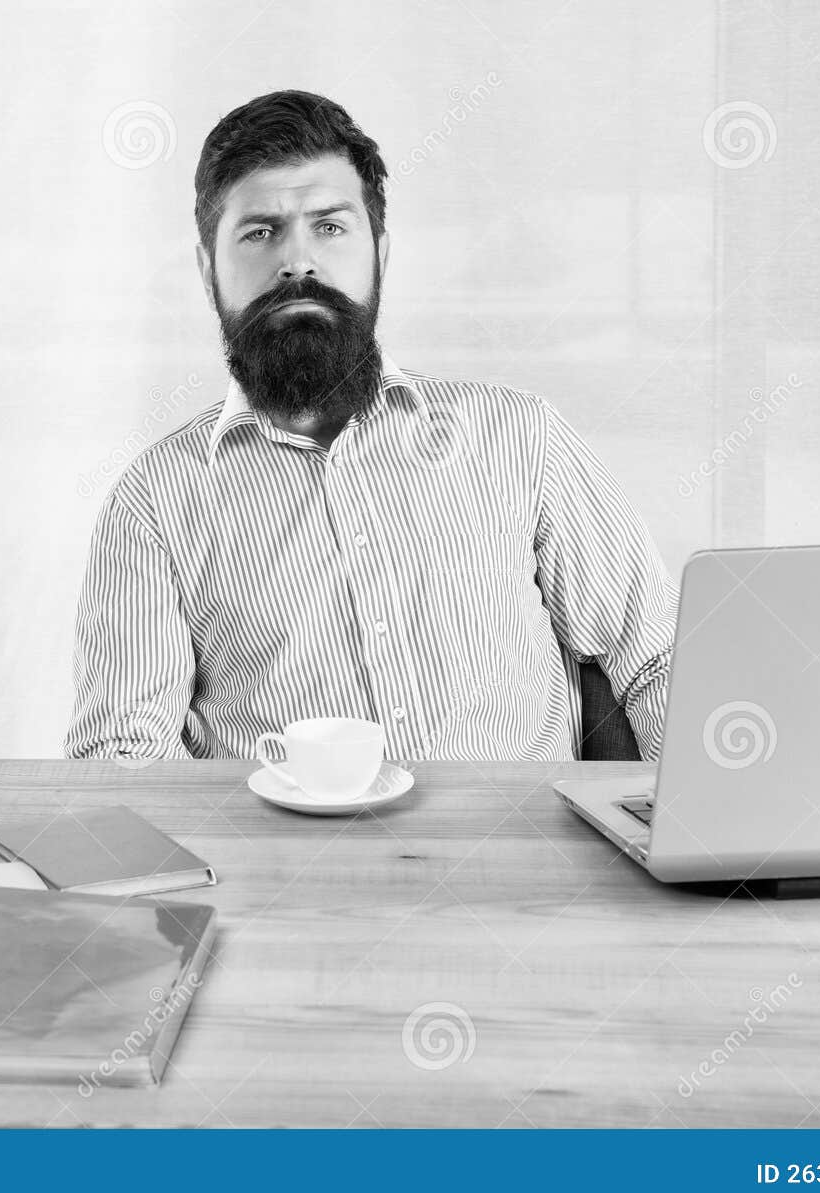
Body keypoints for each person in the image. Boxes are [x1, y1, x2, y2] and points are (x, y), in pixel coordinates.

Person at [66, 90, 676, 763]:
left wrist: (700, 844)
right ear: (209, 269)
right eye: (260, 232)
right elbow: (119, 759)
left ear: (380, 253)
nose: (297, 263)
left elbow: (658, 662)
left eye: (329, 226)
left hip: (527, 861)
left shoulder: (520, 439)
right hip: (285, 868)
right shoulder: (153, 501)